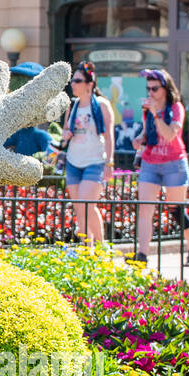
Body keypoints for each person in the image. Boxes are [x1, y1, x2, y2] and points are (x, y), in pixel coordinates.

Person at [131, 68, 189, 267]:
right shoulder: (147, 111)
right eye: (148, 89)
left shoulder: (175, 108)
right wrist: (139, 140)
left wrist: (156, 114)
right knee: (145, 208)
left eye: (155, 88)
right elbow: (147, 134)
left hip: (174, 163)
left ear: (165, 89)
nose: (150, 93)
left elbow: (170, 135)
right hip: (151, 162)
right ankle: (142, 255)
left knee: (176, 210)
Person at [59, 61, 115, 247]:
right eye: (72, 80)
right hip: (74, 161)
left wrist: (109, 162)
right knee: (79, 208)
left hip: (95, 161)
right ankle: (86, 250)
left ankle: (100, 247)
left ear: (89, 84)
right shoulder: (72, 106)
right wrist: (65, 135)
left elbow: (108, 135)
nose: (72, 84)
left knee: (86, 204)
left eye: (77, 80)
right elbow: (65, 133)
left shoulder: (102, 105)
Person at [4, 61, 55, 156]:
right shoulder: (17, 134)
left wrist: (40, 158)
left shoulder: (41, 136)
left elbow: (51, 153)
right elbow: (2, 144)